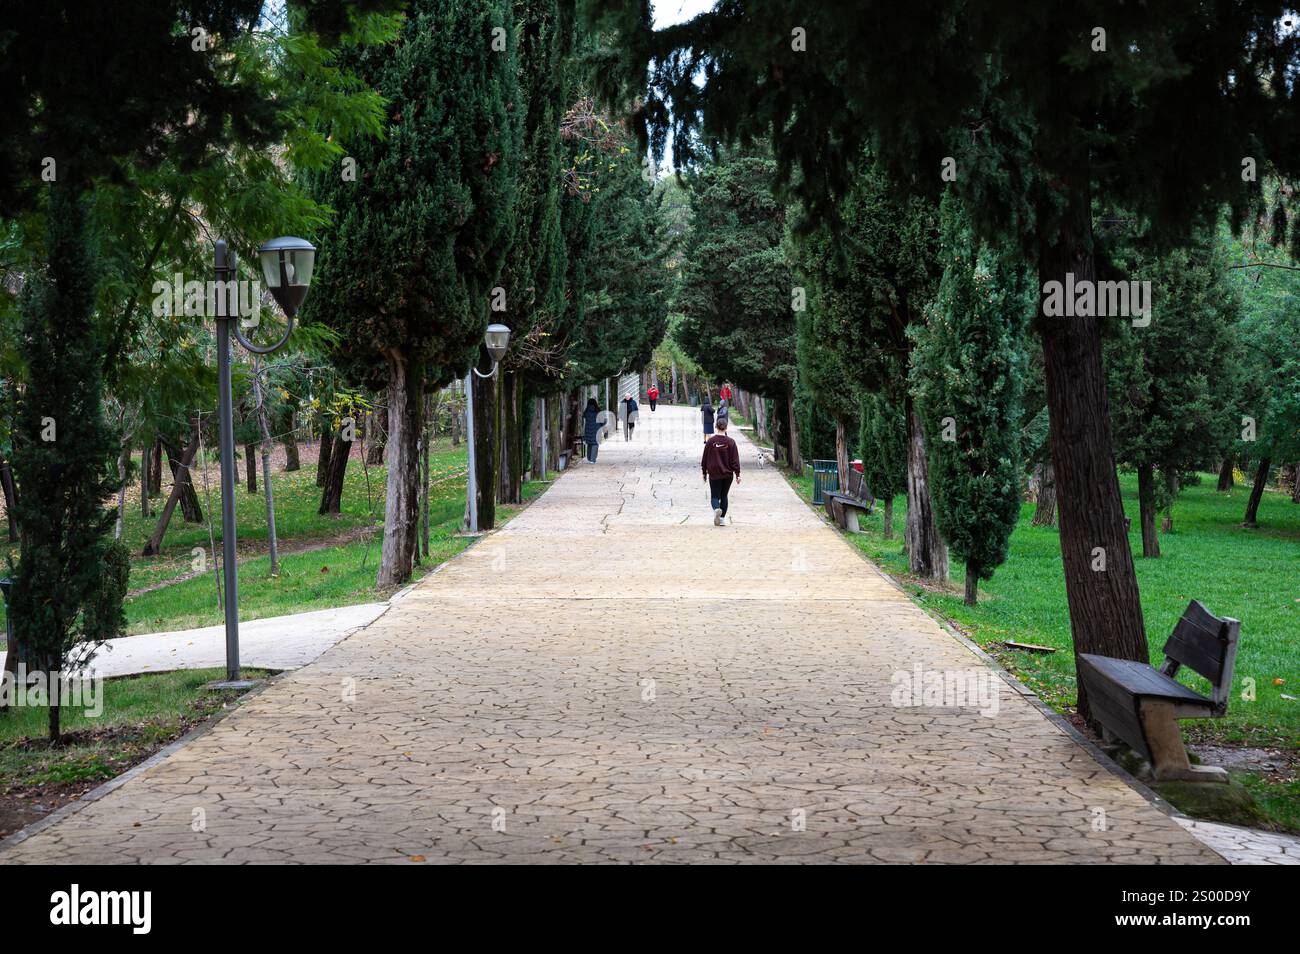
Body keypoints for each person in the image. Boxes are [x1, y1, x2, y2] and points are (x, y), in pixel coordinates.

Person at [702, 416, 741, 526]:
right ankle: (722, 519)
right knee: (724, 496)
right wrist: (737, 474)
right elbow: (735, 460)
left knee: (715, 496)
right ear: (726, 427)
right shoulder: (731, 442)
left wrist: (704, 472)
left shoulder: (710, 442)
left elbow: (704, 458)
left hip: (714, 474)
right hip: (728, 475)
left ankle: (716, 510)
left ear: (716, 427)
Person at [582, 397, 602, 462]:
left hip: (588, 430)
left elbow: (584, 416)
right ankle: (593, 459)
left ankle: (589, 458)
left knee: (589, 444)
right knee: (595, 444)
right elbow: (603, 420)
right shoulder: (598, 411)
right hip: (596, 430)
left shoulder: (586, 411)